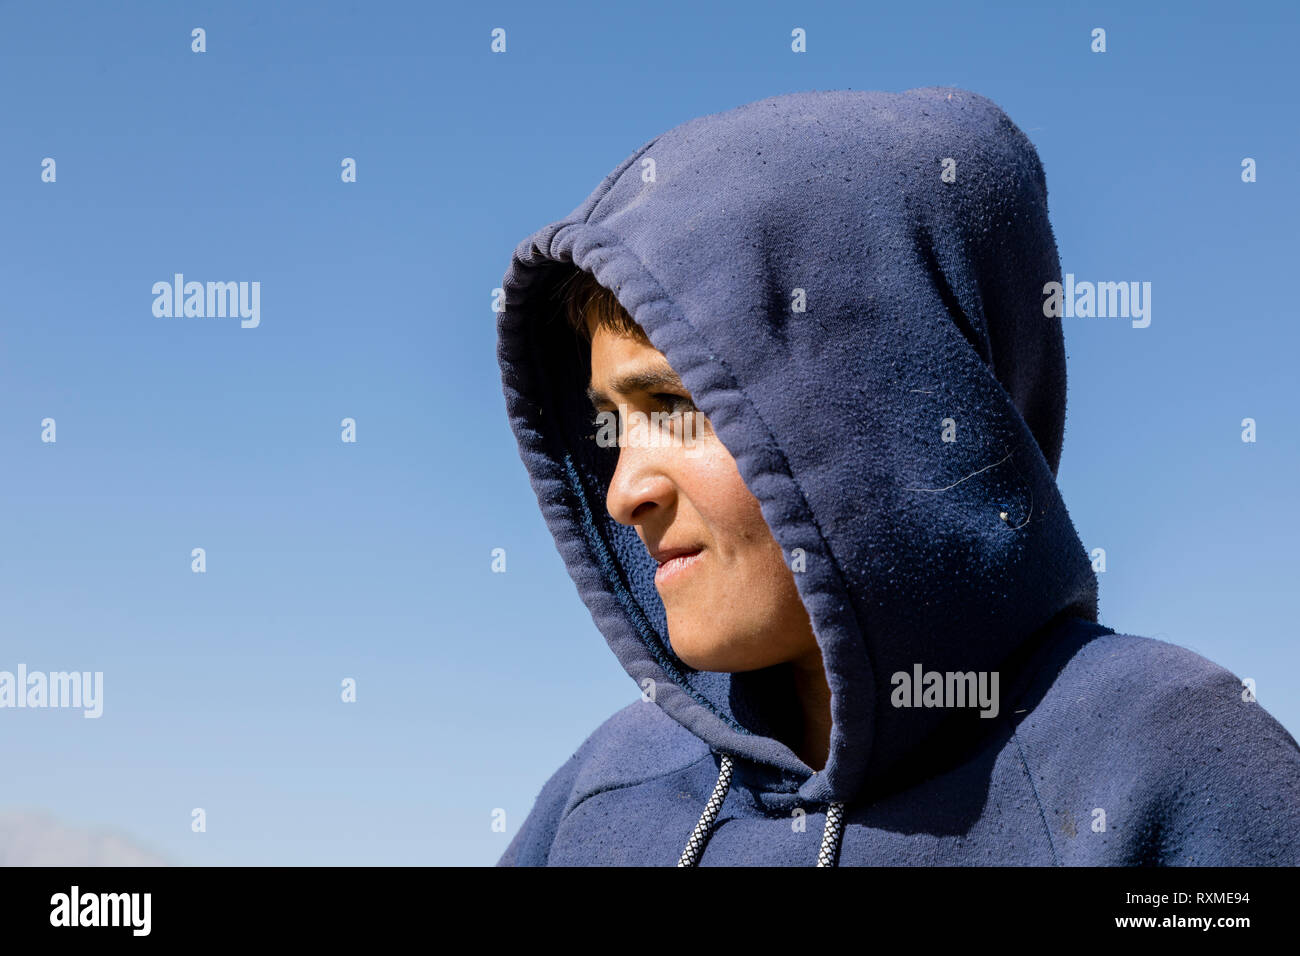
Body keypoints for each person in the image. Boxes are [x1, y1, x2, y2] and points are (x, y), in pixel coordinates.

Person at [493, 86, 1300, 866]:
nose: (624, 492)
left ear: (879, 400)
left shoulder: (1170, 763)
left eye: (675, 403)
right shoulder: (603, 799)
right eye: (612, 425)